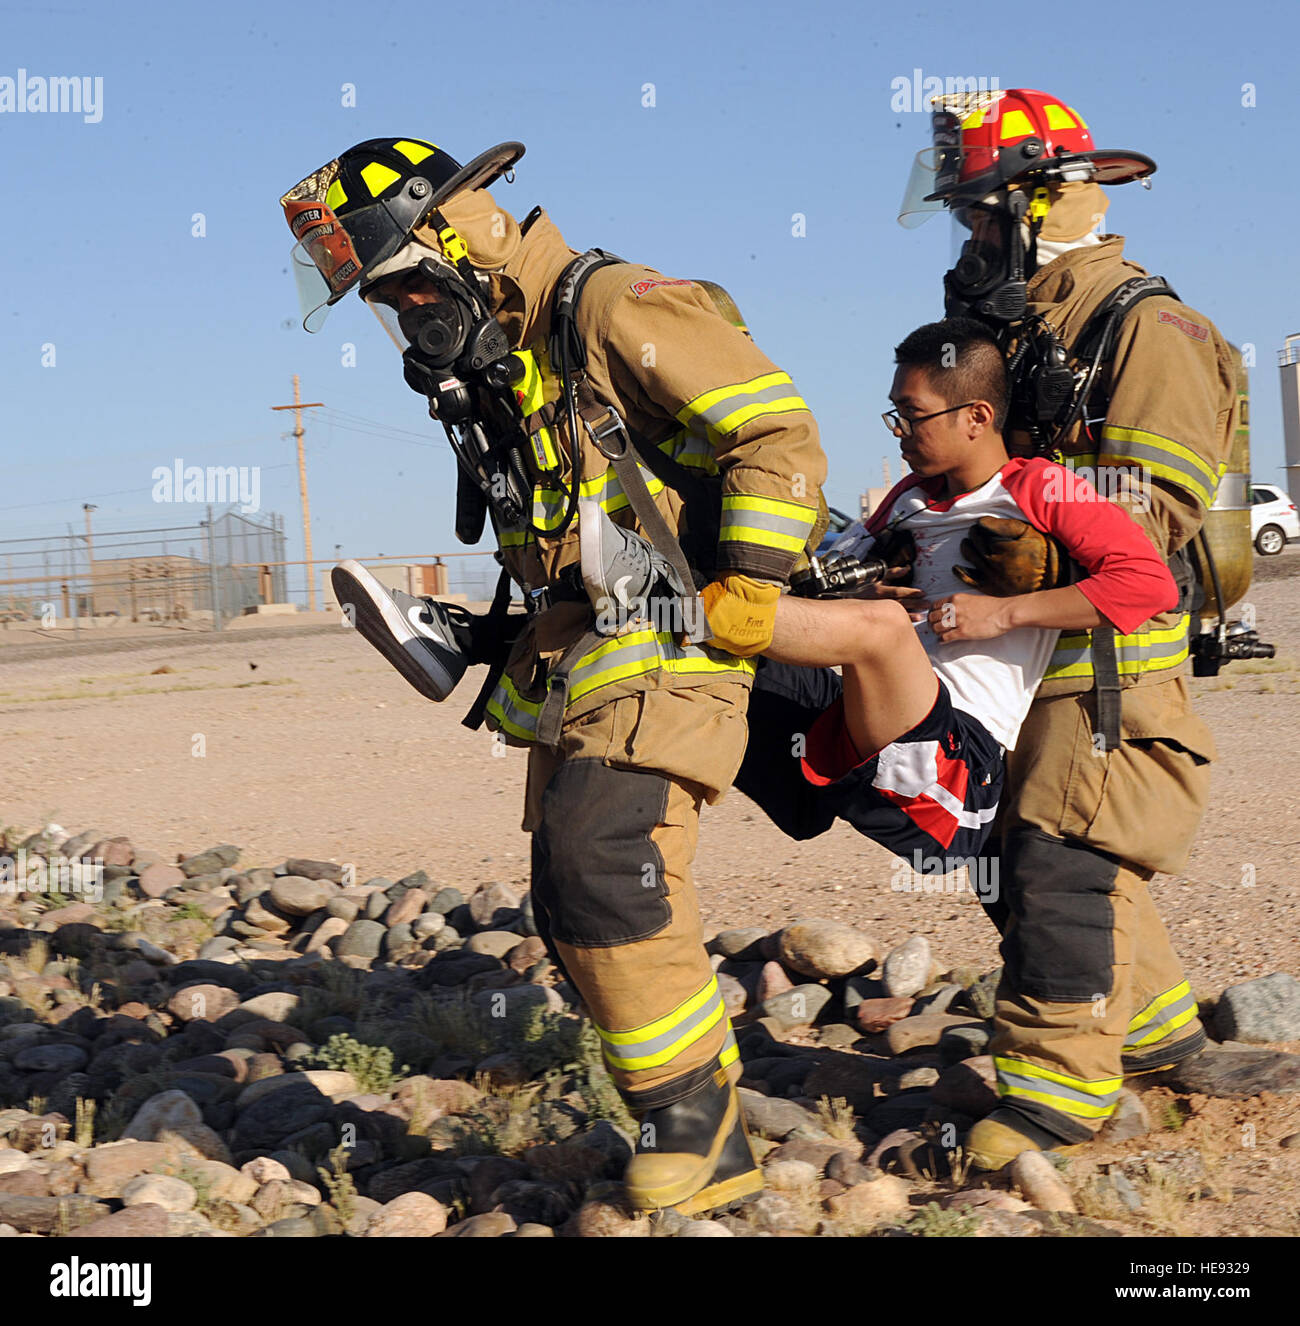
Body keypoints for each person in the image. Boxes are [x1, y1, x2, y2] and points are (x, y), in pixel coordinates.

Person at [278, 135, 828, 1213]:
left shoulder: (613, 303)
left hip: (682, 630)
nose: (401, 319)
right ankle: (698, 1100)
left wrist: (751, 582)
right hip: (586, 652)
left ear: (455, 230)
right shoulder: (505, 360)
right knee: (574, 890)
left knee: (598, 852)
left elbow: (776, 432)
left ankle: (699, 1135)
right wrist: (471, 639)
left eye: (397, 290)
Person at [895, 88, 1241, 1169]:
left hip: (1103, 661)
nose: (973, 239)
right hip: (1018, 652)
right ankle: (1154, 1037)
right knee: (1014, 846)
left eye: (984, 216)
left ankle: (1051, 1103)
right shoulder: (1017, 328)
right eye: (963, 220)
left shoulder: (1149, 326)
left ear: (1047, 204)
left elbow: (1161, 500)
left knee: (1058, 860)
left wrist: (1030, 543)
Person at [738, 316, 1176, 898]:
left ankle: (702, 609)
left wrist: (1002, 614)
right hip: (866, 719)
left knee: (881, 629)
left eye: (912, 414)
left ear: (976, 416)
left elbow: (1150, 584)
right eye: (894, 414)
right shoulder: (906, 497)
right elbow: (822, 581)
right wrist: (854, 592)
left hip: (956, 767)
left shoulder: (1040, 486)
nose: (899, 431)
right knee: (743, 664)